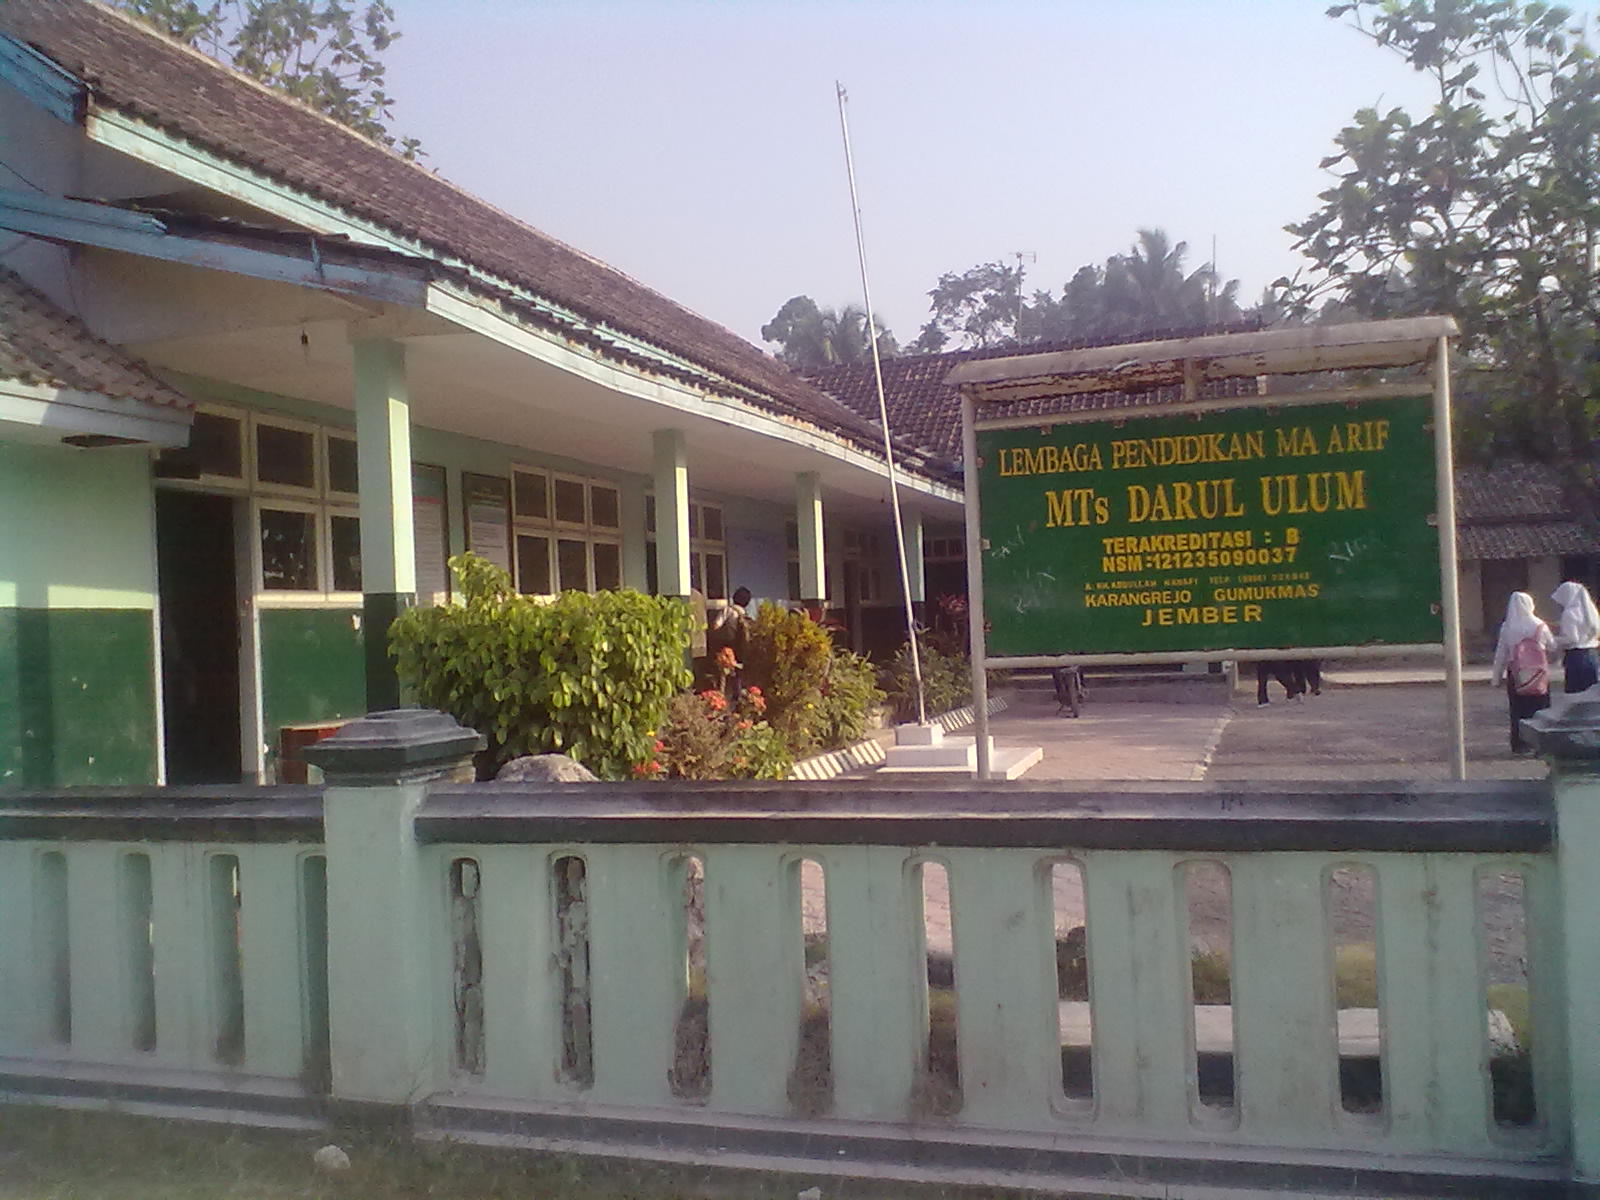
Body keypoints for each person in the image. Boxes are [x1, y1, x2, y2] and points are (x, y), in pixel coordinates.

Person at [1492, 591, 1555, 753]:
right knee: (1540, 709)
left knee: (1518, 710)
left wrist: (1496, 678)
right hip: (1538, 675)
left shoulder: (1507, 627)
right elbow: (1552, 646)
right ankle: (1541, 744)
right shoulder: (1539, 625)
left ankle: (1520, 744)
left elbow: (1501, 653)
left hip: (1517, 675)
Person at [1551, 580, 1600, 693]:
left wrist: (1553, 639)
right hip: (1592, 654)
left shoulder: (1569, 614)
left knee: (1576, 698)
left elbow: (1572, 638)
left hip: (1576, 657)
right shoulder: (1590, 612)